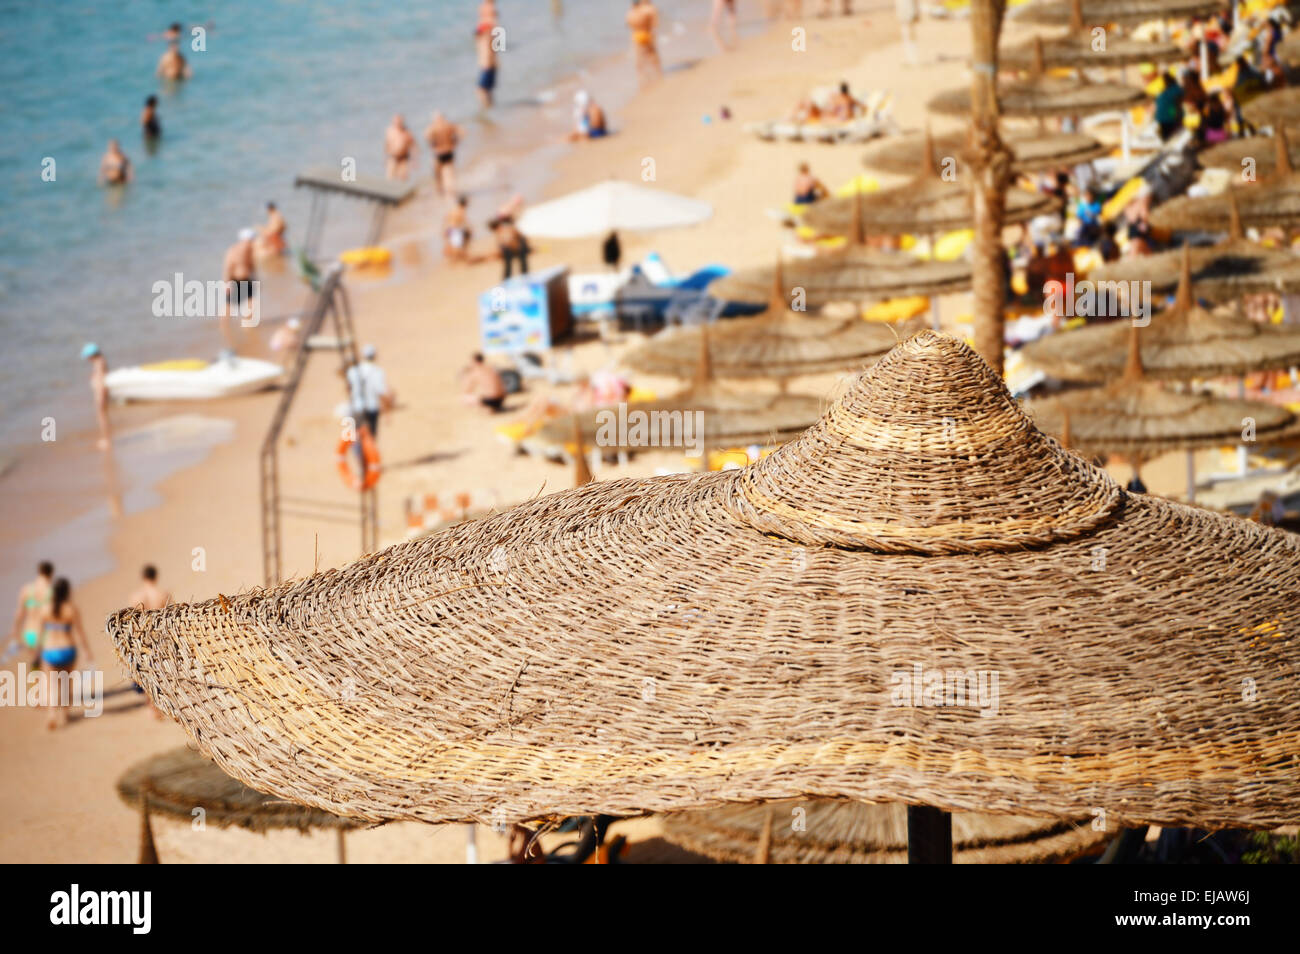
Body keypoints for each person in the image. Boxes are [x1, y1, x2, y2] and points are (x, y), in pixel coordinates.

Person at [37, 578, 93, 730]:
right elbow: (80, 633)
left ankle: (52, 715)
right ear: (67, 591)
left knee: (51, 685)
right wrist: (87, 652)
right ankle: (65, 714)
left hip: (50, 650)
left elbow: (40, 634)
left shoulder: (45, 609)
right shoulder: (71, 608)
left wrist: (36, 652)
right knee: (67, 684)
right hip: (68, 649)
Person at [5, 561, 53, 665]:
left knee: (36, 663)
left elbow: (19, 613)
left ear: (39, 572)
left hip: (29, 634)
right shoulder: (51, 591)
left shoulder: (27, 590)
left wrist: (14, 632)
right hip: (46, 634)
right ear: (51, 574)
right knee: (48, 666)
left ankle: (37, 677)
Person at [346, 344, 393, 438]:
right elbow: (381, 393)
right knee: (370, 438)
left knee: (357, 436)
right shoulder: (377, 371)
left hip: (357, 408)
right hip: (371, 408)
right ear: (374, 355)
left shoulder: (353, 370)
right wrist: (388, 412)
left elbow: (348, 388)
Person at [220, 228, 257, 344]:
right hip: (235, 282)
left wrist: (256, 279)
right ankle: (224, 328)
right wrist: (227, 283)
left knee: (251, 304)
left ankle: (247, 328)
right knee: (229, 307)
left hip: (247, 281)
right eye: (249, 240)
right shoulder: (233, 251)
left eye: (251, 241)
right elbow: (228, 267)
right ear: (244, 240)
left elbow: (252, 266)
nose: (251, 243)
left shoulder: (250, 250)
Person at [425, 111, 463, 195]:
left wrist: (433, 146)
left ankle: (441, 190)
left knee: (438, 173)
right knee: (449, 173)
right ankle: (451, 191)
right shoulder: (449, 125)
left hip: (439, 153)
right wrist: (455, 142)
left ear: (435, 119)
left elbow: (427, 137)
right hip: (449, 151)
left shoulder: (433, 127)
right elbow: (462, 132)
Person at [82, 343, 111, 449]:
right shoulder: (100, 361)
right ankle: (106, 438)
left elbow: (101, 380)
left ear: (91, 355)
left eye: (87, 357)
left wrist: (101, 395)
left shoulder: (99, 363)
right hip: (100, 392)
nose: (87, 359)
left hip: (100, 393)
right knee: (102, 416)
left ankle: (106, 440)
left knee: (102, 417)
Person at [627, 0, 661, 85]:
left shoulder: (631, 12)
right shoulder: (649, 9)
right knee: (652, 55)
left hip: (637, 35)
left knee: (640, 59)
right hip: (647, 33)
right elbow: (655, 23)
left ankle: (643, 79)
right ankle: (658, 74)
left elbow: (629, 24)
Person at [475, 8, 499, 108]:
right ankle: (491, 109)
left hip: (488, 65)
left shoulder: (489, 30)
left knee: (481, 90)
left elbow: (490, 51)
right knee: (487, 91)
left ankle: (487, 110)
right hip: (490, 64)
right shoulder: (490, 29)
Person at [385, 114, 416, 180]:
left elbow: (414, 146)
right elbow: (386, 145)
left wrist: (414, 160)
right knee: (389, 179)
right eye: (396, 121)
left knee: (403, 179)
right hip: (392, 158)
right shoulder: (390, 131)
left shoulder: (407, 132)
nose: (398, 123)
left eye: (399, 121)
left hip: (404, 159)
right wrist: (385, 158)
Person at [444, 195, 473, 262]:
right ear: (465, 204)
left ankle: (459, 256)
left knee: (455, 244)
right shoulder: (461, 211)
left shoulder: (453, 209)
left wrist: (444, 230)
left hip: (449, 228)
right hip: (455, 230)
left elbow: (446, 219)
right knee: (457, 245)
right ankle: (454, 260)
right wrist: (470, 228)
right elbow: (465, 221)